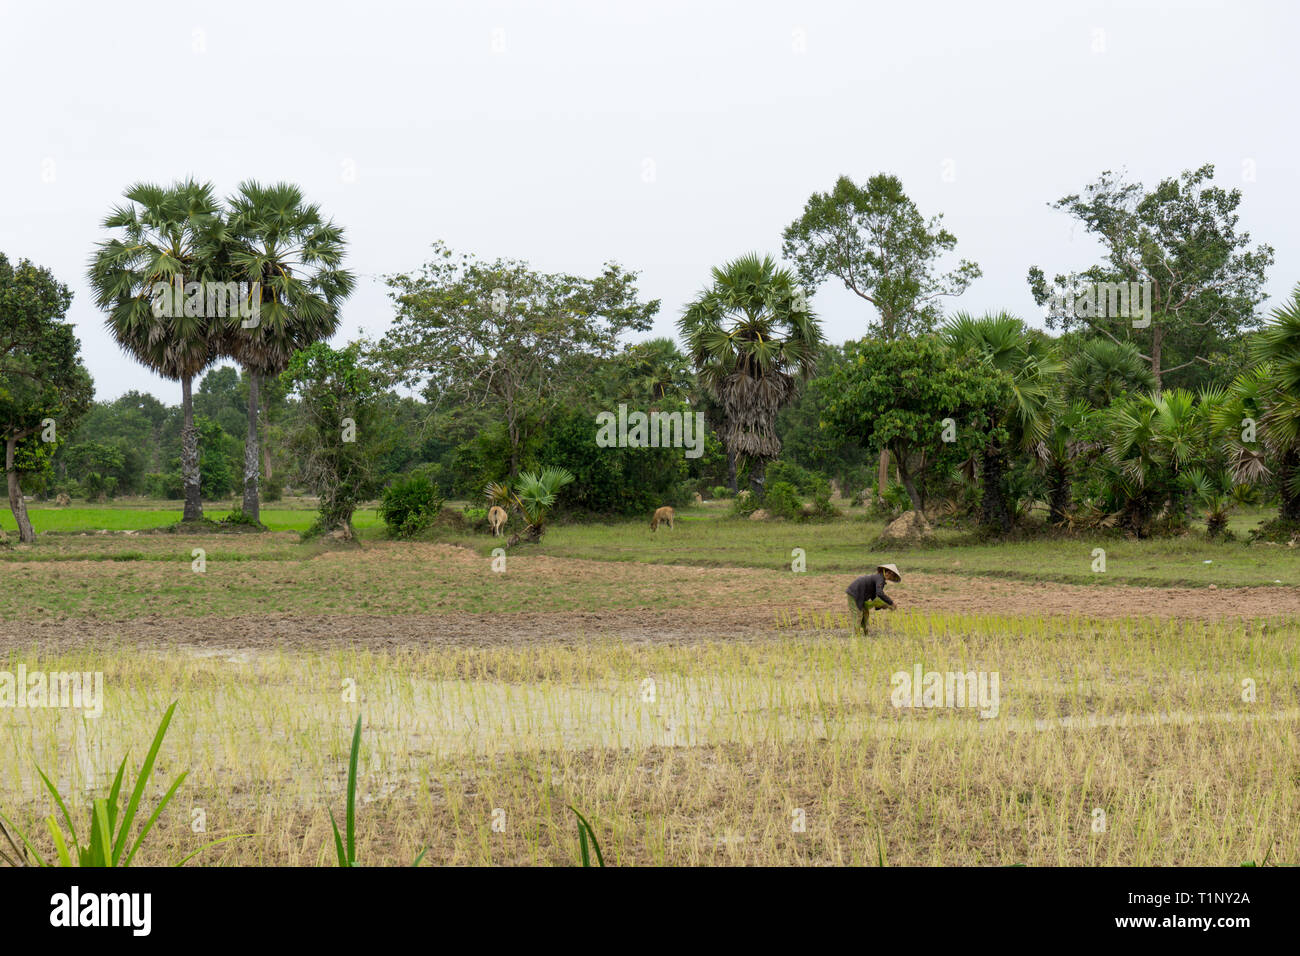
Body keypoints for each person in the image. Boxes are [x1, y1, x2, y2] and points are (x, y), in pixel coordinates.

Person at [845, 564, 901, 634]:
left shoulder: (879, 578)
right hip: (854, 593)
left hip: (860, 594)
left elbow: (875, 596)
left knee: (865, 613)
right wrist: (891, 603)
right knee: (858, 614)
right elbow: (880, 593)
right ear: (888, 573)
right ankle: (856, 637)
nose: (891, 577)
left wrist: (883, 605)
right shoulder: (880, 578)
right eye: (891, 575)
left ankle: (866, 634)